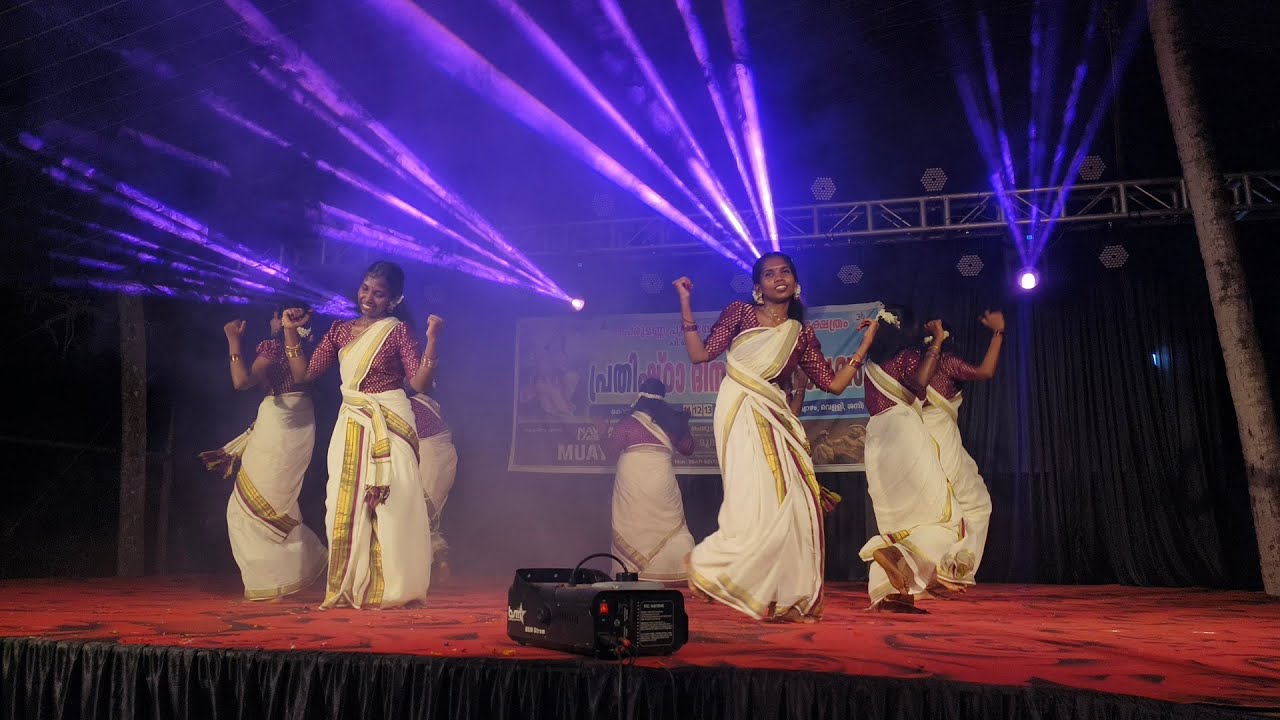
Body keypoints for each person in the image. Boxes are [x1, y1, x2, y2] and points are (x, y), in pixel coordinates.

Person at [673, 252, 868, 622]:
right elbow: (700, 356)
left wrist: (865, 344)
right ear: (757, 287)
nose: (777, 278)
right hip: (741, 408)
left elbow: (834, 384)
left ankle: (784, 594)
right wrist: (685, 301)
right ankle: (711, 563)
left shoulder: (802, 334)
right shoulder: (740, 313)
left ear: (796, 282)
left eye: (785, 272)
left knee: (795, 501)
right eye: (768, 274)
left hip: (776, 415)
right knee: (756, 495)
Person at [281, 261, 443, 610]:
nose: (368, 297)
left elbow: (417, 384)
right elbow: (304, 374)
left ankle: (394, 588)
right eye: (365, 288)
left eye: (379, 293)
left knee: (393, 502)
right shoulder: (340, 330)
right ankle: (350, 584)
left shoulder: (397, 331)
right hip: (352, 419)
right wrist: (290, 332)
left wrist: (431, 340)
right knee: (341, 504)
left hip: (391, 420)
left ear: (394, 299)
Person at [199, 307, 326, 601]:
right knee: (278, 505)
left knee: (246, 510)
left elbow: (241, 382)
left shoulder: (274, 347)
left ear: (281, 319)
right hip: (302, 424)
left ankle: (272, 581)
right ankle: (293, 570)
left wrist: (232, 340)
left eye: (273, 317)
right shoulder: (316, 345)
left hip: (279, 424)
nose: (271, 322)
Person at [857, 309, 967, 613]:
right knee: (947, 519)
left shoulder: (871, 362)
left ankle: (890, 593)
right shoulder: (906, 356)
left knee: (899, 525)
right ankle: (892, 556)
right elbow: (920, 381)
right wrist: (938, 342)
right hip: (904, 436)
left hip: (877, 440)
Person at [921, 311, 1005, 586]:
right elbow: (985, 372)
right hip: (940, 439)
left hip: (914, 439)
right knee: (973, 503)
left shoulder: (909, 362)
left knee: (939, 505)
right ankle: (953, 565)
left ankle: (936, 566)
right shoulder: (945, 361)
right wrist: (998, 333)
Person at [601, 378, 697, 583]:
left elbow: (610, 452)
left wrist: (601, 434)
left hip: (632, 481)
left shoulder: (628, 423)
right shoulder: (671, 423)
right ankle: (676, 571)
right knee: (669, 524)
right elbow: (688, 449)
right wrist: (684, 424)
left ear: (640, 396)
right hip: (661, 480)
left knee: (633, 522)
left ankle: (632, 571)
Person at [409, 392, 458, 583]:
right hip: (442, 458)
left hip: (433, 458)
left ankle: (424, 567)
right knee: (425, 517)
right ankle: (439, 560)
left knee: (421, 515)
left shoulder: (413, 404)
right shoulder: (428, 403)